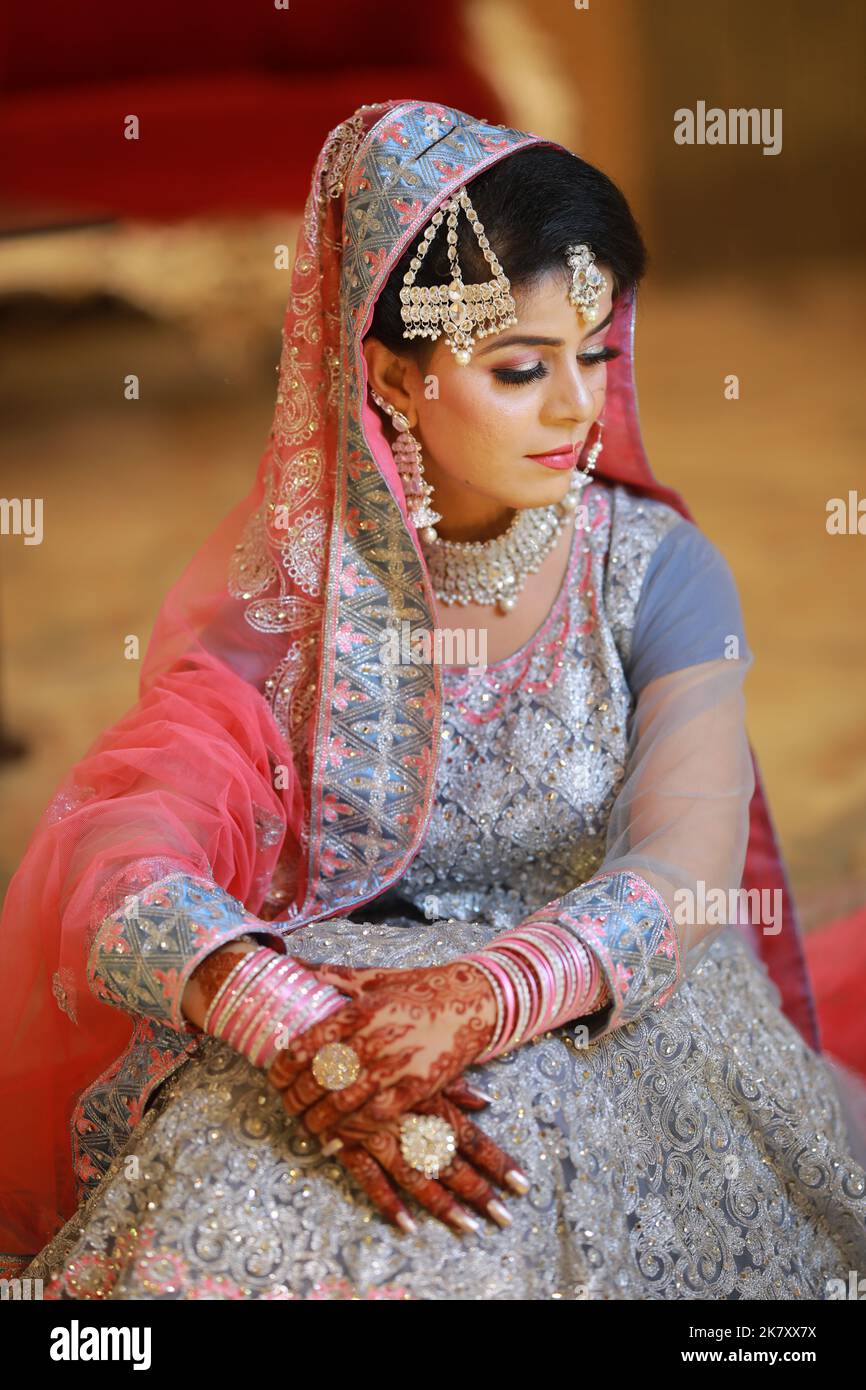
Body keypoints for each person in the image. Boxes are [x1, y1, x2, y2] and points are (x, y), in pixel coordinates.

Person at [2, 98, 866, 1301]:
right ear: (394, 377)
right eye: (519, 369)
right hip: (337, 1024)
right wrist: (282, 1019)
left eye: (593, 354)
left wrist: (481, 996)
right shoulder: (297, 590)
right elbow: (128, 842)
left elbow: (684, 866)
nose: (574, 408)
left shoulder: (654, 571)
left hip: (604, 1005)